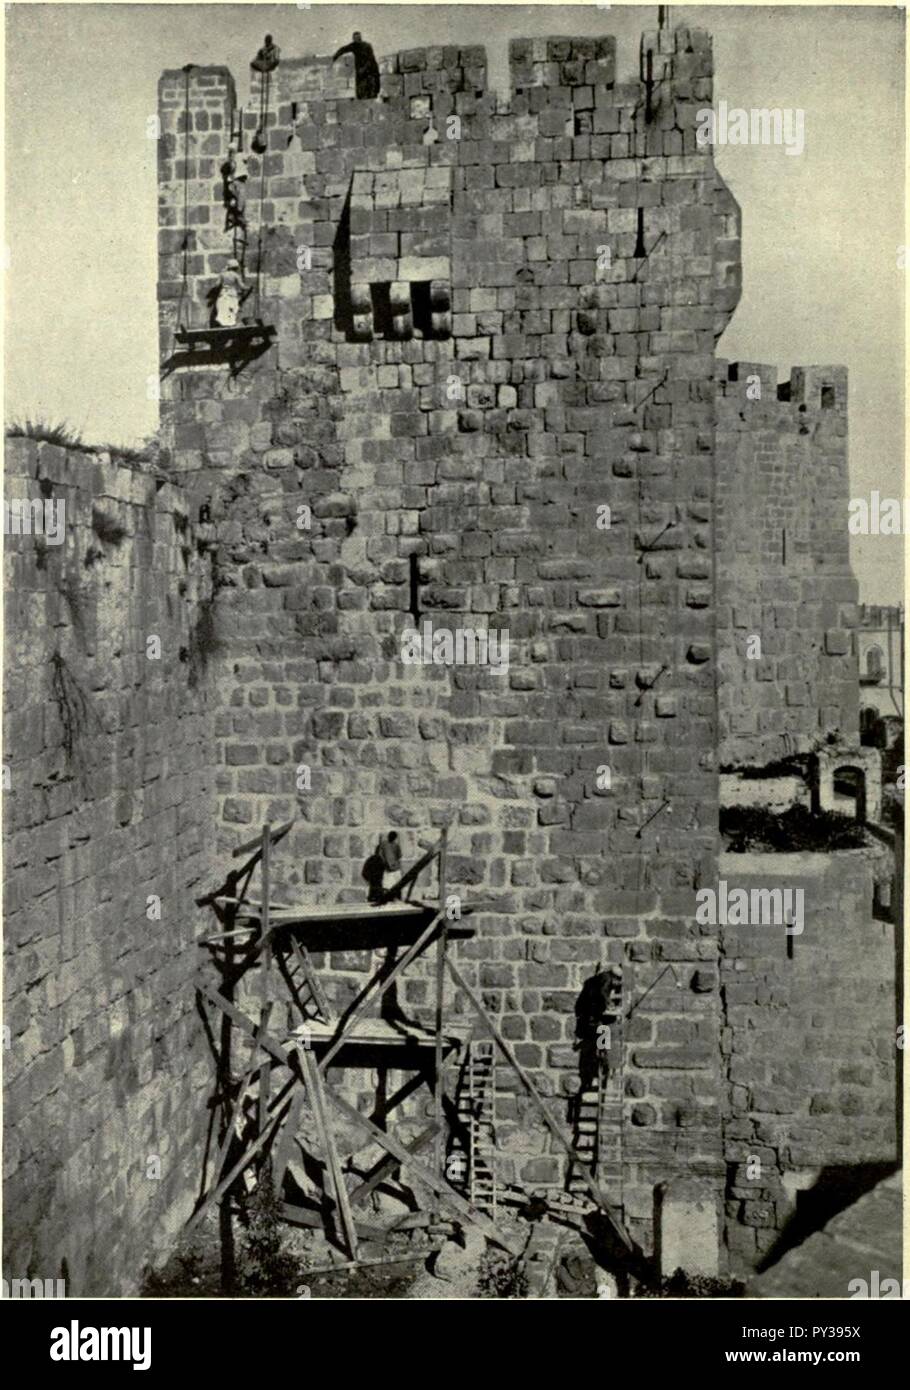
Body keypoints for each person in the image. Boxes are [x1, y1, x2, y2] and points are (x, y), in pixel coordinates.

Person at [332, 31, 381, 99]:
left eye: (358, 38)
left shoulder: (367, 46)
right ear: (354, 39)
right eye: (356, 38)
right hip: (362, 72)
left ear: (360, 38)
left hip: (370, 71)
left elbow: (370, 60)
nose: (357, 39)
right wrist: (334, 57)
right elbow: (343, 49)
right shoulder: (354, 46)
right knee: (362, 92)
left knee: (370, 91)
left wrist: (363, 69)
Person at [213, 260, 248, 327]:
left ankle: (224, 324)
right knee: (232, 308)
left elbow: (216, 285)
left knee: (223, 308)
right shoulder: (236, 275)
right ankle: (230, 324)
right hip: (231, 293)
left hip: (223, 293)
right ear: (236, 267)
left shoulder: (222, 274)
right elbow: (242, 286)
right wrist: (248, 288)